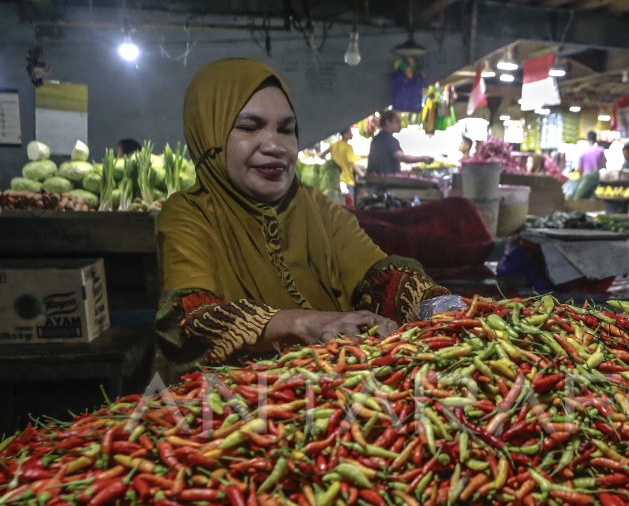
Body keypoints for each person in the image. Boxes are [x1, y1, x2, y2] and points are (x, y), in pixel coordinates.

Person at [155, 59, 460, 366]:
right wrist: (304, 324)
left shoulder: (317, 208)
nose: (275, 145)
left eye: (286, 130)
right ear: (209, 136)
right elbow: (191, 318)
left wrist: (437, 305)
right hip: (240, 401)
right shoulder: (188, 215)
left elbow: (379, 276)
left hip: (337, 388)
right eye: (249, 127)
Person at [367, 110, 433, 175]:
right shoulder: (390, 140)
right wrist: (423, 158)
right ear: (387, 122)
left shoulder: (376, 139)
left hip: (374, 180)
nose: (400, 125)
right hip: (386, 182)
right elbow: (401, 157)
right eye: (397, 122)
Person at [570, 131, 607, 200]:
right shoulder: (600, 151)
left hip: (585, 180)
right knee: (594, 199)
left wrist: (581, 179)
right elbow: (603, 167)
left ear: (587, 139)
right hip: (597, 180)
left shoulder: (583, 152)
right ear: (596, 139)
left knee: (582, 199)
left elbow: (580, 169)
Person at [326, 128, 361, 196]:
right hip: (347, 180)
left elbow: (321, 155)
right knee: (349, 205)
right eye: (350, 132)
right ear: (344, 134)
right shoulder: (348, 147)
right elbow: (352, 164)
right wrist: (361, 174)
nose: (352, 134)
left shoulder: (333, 145)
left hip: (336, 180)